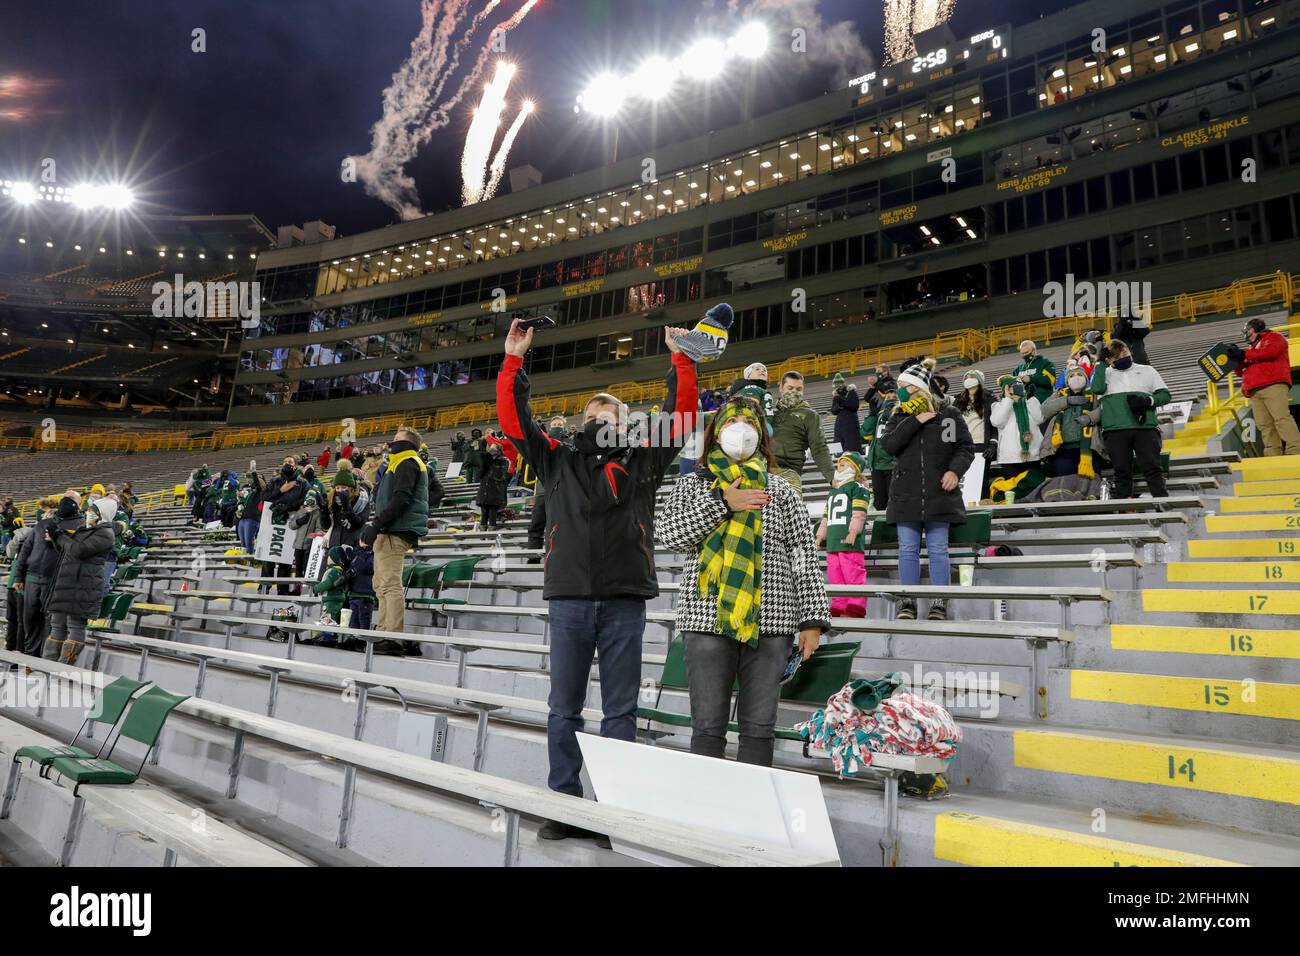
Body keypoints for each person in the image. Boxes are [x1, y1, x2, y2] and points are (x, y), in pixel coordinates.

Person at [496, 316, 697, 843]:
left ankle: (613, 811)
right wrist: (514, 360)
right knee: (563, 710)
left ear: (626, 423)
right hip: (569, 602)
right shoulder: (556, 458)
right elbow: (515, 422)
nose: (596, 421)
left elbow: (681, 419)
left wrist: (681, 359)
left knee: (620, 713)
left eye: (607, 415)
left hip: (626, 602)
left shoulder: (644, 457)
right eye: (591, 414)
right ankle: (563, 803)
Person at [658, 395, 829, 767]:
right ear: (715, 434)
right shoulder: (693, 486)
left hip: (771, 622)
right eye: (732, 422)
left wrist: (812, 620)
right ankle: (709, 809)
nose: (741, 430)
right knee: (707, 726)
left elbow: (803, 555)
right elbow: (670, 535)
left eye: (750, 423)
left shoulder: (782, 491)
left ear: (762, 437)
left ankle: (754, 811)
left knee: (758, 726)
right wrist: (723, 502)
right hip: (706, 621)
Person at [880, 359, 975, 621]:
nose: (898, 390)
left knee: (938, 549)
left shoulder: (948, 415)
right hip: (906, 495)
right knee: (907, 549)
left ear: (918, 388)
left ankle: (939, 602)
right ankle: (907, 602)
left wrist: (955, 471)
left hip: (939, 494)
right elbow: (888, 446)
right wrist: (916, 420)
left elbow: (964, 448)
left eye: (903, 386)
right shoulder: (898, 415)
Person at [359, 426, 431, 657]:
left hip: (395, 530)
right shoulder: (398, 462)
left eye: (397, 439)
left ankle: (394, 636)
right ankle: (384, 631)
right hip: (389, 529)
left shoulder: (407, 461)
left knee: (390, 584)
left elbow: (401, 498)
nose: (392, 442)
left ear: (408, 443)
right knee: (380, 584)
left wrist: (376, 524)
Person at [1091, 340, 1170, 498]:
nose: (1123, 358)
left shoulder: (1147, 370)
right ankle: (1124, 509)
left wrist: (1148, 401)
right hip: (1115, 430)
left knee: (1152, 468)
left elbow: (1165, 395)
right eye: (1117, 357)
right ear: (1109, 360)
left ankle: (1162, 503)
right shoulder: (1104, 373)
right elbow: (1097, 388)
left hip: (1145, 428)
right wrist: (1099, 363)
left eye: (1125, 354)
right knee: (1121, 471)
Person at [43, 495, 115, 665]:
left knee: (75, 625)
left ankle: (62, 668)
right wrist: (54, 538)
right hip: (68, 583)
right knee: (57, 624)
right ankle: (47, 665)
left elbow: (79, 550)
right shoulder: (86, 528)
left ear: (103, 513)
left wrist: (59, 535)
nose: (89, 512)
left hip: (84, 586)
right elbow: (69, 548)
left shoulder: (106, 533)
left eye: (93, 510)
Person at [1231, 317, 1300, 457]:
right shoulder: (1251, 348)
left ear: (1252, 329)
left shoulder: (1274, 337)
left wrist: (1244, 354)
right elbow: (1239, 372)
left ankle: (1295, 451)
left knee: (1281, 419)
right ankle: (1272, 454)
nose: (1245, 332)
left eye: (1247, 329)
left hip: (1273, 385)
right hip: (1255, 390)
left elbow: (1271, 352)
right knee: (1264, 425)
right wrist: (1236, 359)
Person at [815, 451, 871, 618]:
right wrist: (819, 537)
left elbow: (859, 513)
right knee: (835, 574)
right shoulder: (833, 491)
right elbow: (826, 517)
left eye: (844, 463)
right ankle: (839, 604)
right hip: (833, 541)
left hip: (848, 539)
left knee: (852, 571)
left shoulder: (857, 488)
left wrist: (853, 532)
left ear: (855, 468)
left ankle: (856, 605)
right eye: (838, 463)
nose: (839, 466)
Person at [771, 371, 836, 493]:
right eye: (790, 388)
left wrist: (832, 476)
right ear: (781, 388)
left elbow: (819, 448)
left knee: (790, 510)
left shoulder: (810, 415)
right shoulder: (770, 412)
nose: (794, 392)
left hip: (789, 472)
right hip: (763, 470)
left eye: (798, 389)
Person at [14, 496, 60, 656]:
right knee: (44, 621)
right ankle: (39, 658)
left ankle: (32, 657)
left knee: (32, 620)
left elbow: (24, 553)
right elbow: (25, 551)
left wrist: (18, 577)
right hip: (43, 578)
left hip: (36, 578)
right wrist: (19, 577)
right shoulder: (46, 527)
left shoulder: (40, 527)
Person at [1038, 366, 1103, 478]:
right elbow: (1044, 410)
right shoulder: (1059, 393)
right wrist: (1066, 401)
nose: (1076, 378)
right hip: (1063, 449)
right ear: (1067, 381)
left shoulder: (1094, 392)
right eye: (1072, 376)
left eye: (1080, 375)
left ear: (1086, 379)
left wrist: (1090, 417)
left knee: (1090, 481)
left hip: (1090, 448)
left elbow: (1105, 408)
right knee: (1064, 482)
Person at [527, 417, 569, 559]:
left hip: (564, 488)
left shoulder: (571, 441)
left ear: (565, 426)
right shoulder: (542, 442)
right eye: (554, 425)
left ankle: (559, 557)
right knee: (537, 523)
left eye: (559, 425)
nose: (557, 427)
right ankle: (533, 557)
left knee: (560, 525)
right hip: (544, 487)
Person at [991, 374, 1045, 481]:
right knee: (1013, 490)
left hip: (1032, 455)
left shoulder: (1030, 401)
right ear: (1006, 388)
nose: (1018, 386)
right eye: (1013, 385)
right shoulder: (998, 405)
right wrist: (1008, 399)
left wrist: (1030, 399)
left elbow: (1040, 419)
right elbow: (997, 422)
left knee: (1032, 488)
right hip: (1010, 458)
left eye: (1020, 384)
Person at [954, 370, 996, 498]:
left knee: (981, 480)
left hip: (980, 445)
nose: (969, 379)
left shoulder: (989, 399)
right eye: (967, 377)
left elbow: (994, 425)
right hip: (962, 446)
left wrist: (993, 444)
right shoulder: (958, 401)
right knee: (962, 479)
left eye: (972, 378)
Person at [863, 382, 899, 510]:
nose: (890, 399)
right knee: (879, 501)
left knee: (893, 499)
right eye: (888, 397)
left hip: (892, 464)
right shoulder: (878, 414)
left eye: (894, 397)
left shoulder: (902, 412)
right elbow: (866, 434)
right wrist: (872, 415)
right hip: (877, 464)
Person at [321, 459, 371, 549]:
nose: (340, 491)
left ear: (351, 488)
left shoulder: (361, 500)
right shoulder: (333, 500)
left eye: (344, 487)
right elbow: (325, 526)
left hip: (353, 545)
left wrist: (347, 507)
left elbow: (358, 524)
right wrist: (323, 511)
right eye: (337, 488)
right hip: (334, 544)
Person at [5, 521, 31, 652]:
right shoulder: (36, 536)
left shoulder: (24, 533)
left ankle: (10, 651)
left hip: (13, 583)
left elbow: (9, 553)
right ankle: (18, 656)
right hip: (23, 585)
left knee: (12, 620)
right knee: (21, 622)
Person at [476, 445, 510, 530]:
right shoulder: (486, 460)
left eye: (494, 448)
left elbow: (499, 475)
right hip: (484, 490)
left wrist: (492, 461)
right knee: (483, 515)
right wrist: (485, 460)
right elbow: (480, 475)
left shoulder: (503, 460)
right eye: (491, 448)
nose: (492, 450)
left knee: (492, 514)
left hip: (495, 491)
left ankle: (491, 536)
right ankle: (482, 537)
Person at [831, 373, 863, 454]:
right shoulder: (836, 395)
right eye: (836, 384)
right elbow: (833, 411)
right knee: (839, 449)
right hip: (840, 426)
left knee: (852, 449)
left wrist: (841, 400)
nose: (838, 386)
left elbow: (854, 406)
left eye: (839, 383)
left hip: (851, 424)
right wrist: (838, 405)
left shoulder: (851, 392)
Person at [237, 468, 265, 553]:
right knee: (243, 544)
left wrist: (254, 472)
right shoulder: (251, 493)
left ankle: (251, 563)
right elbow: (244, 503)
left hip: (252, 519)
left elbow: (257, 484)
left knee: (249, 544)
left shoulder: (260, 492)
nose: (250, 482)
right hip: (243, 519)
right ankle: (246, 562)